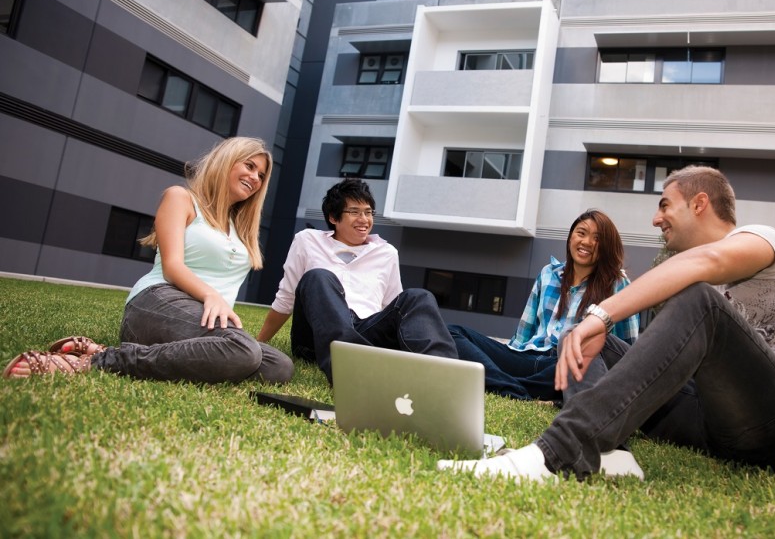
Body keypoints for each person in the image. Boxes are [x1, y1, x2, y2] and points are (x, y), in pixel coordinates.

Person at [438, 165, 775, 481]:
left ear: (699, 203)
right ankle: (612, 454)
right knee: (580, 337)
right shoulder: (693, 271)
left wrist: (602, 314)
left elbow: (709, 261)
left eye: (665, 204)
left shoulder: (762, 238)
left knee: (694, 302)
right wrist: (587, 328)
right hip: (717, 425)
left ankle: (559, 453)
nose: (656, 219)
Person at [3, 137, 294, 383]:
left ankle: (105, 351)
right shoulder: (181, 198)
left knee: (278, 367)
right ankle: (104, 361)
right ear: (226, 161)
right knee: (244, 349)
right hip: (157, 301)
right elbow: (172, 266)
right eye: (250, 166)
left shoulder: (240, 227)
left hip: (202, 326)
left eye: (261, 175)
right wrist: (211, 295)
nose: (255, 178)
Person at [257, 178, 457, 383]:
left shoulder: (387, 253)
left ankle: (443, 378)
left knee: (418, 296)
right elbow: (287, 297)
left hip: (365, 333)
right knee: (318, 276)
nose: (364, 219)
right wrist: (258, 344)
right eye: (354, 212)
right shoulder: (307, 240)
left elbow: (393, 307)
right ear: (334, 217)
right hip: (315, 336)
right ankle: (353, 373)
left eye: (368, 212)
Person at [448, 209, 638, 403]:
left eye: (597, 238)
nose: (587, 242)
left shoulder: (617, 284)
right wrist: (505, 357)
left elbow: (623, 353)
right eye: (581, 233)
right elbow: (523, 333)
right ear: (571, 236)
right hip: (526, 357)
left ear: (606, 246)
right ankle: (513, 387)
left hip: (563, 366)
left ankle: (503, 383)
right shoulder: (548, 273)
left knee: (574, 368)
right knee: (452, 333)